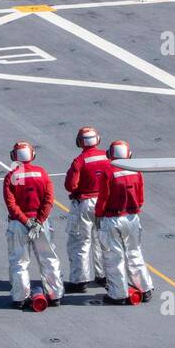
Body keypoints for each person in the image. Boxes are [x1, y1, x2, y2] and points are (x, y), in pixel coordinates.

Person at [3, 141, 64, 309]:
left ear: (14, 156)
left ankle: (20, 297)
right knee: (49, 260)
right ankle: (55, 295)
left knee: (19, 262)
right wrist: (39, 221)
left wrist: (26, 221)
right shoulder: (42, 174)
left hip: (18, 224)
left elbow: (11, 205)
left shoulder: (11, 176)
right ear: (32, 155)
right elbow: (48, 200)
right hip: (41, 224)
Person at [97, 140, 153, 305]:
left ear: (110, 155)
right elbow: (140, 197)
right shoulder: (136, 171)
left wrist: (99, 215)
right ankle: (145, 288)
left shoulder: (108, 172)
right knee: (135, 253)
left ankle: (118, 294)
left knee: (114, 257)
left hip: (112, 219)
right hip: (132, 218)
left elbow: (103, 198)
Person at [64, 126, 109, 293]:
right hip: (105, 202)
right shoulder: (108, 157)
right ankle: (103, 275)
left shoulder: (79, 160)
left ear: (79, 142)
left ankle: (79, 280)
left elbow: (71, 185)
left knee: (80, 242)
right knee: (103, 240)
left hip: (84, 203)